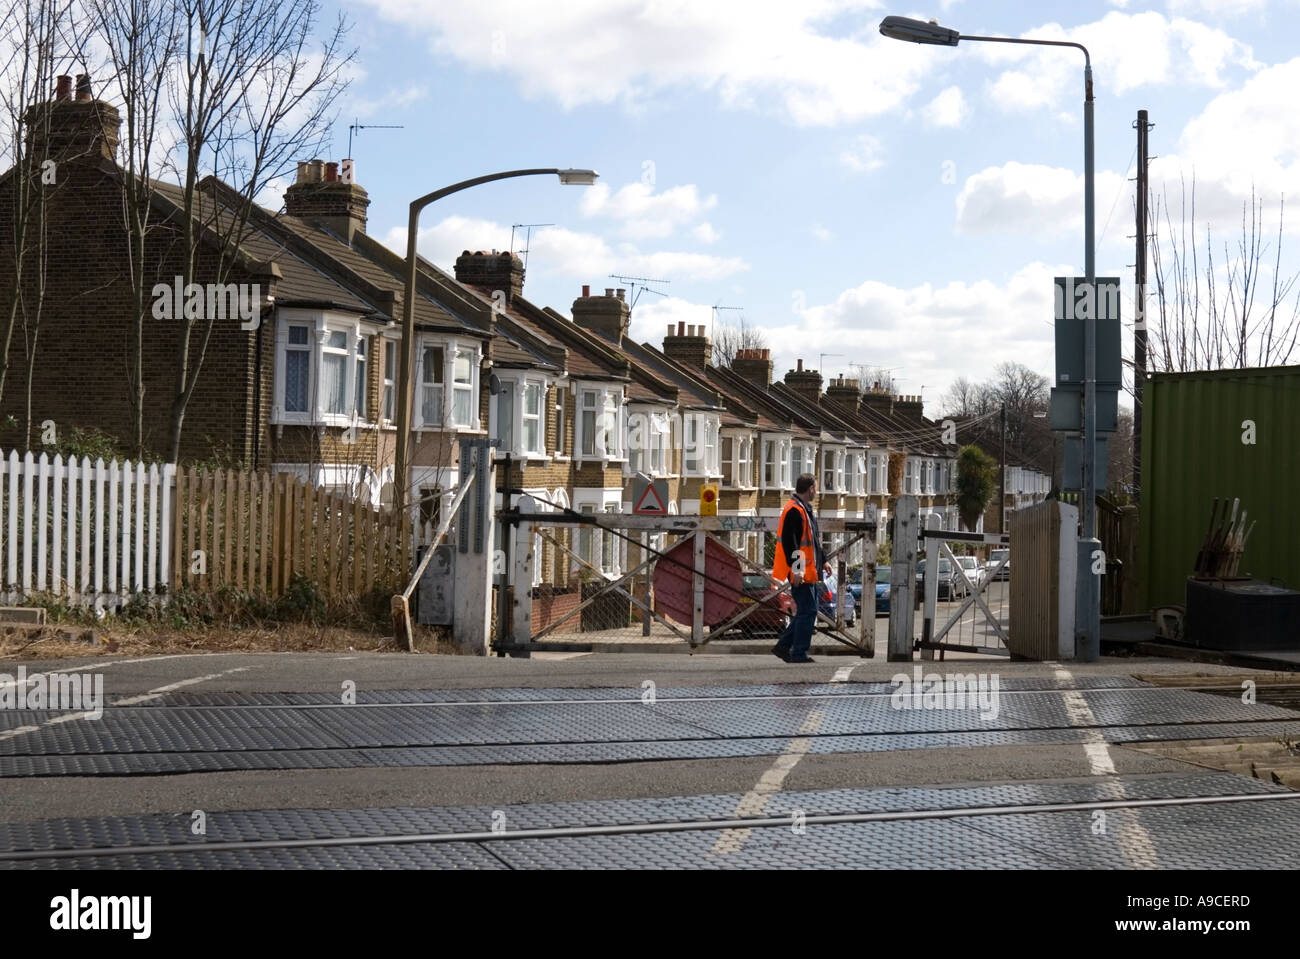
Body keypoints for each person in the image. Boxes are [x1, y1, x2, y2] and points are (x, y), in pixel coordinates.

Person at [771, 473, 825, 663]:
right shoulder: (795, 510)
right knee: (808, 611)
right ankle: (798, 652)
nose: (816, 492)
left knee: (806, 611)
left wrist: (822, 561)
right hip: (801, 572)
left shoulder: (803, 509)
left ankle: (783, 646)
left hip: (808, 571)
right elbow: (790, 542)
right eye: (815, 488)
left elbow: (813, 541)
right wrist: (797, 569)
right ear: (811, 489)